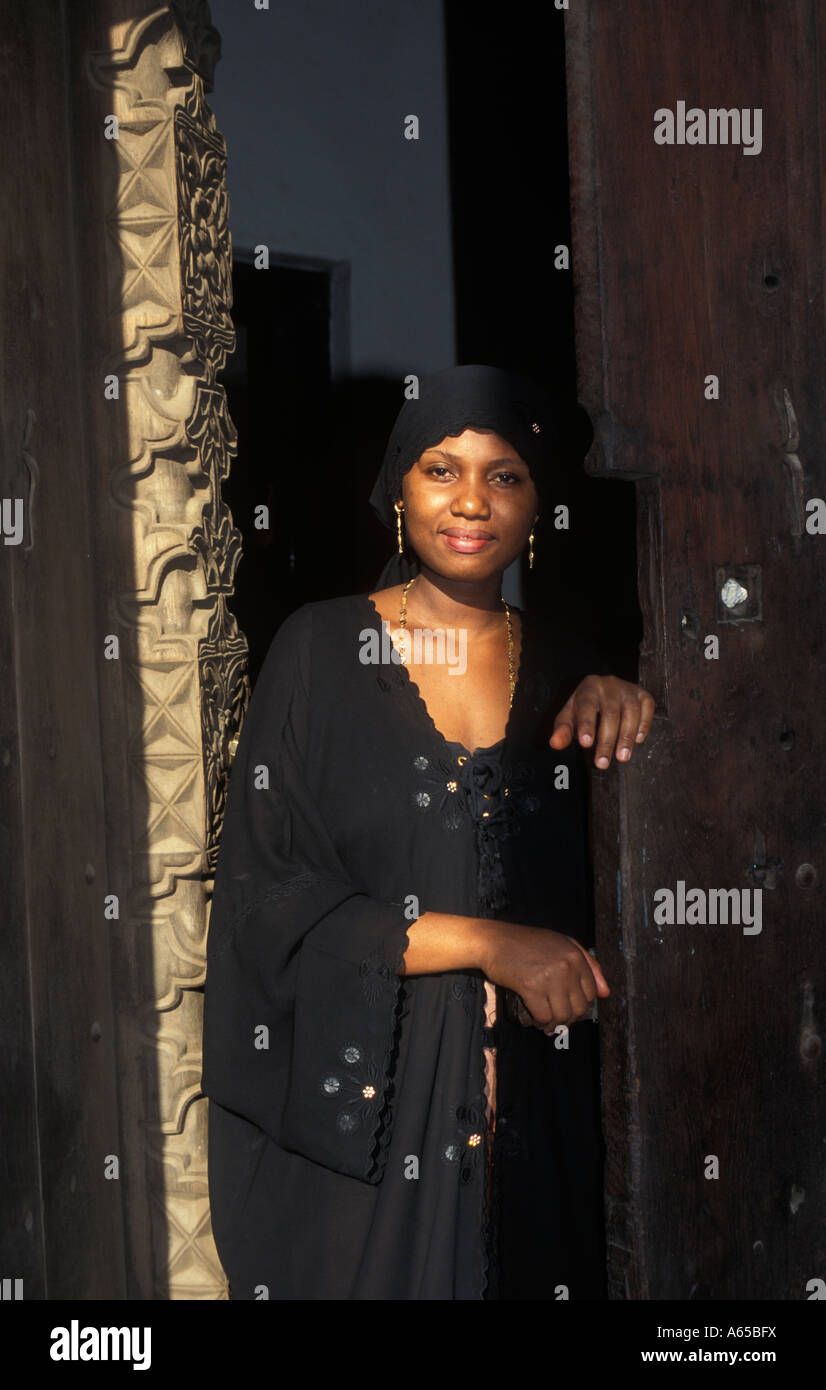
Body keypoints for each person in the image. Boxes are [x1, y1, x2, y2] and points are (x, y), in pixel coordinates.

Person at [201, 364, 655, 1300]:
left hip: (540, 1129)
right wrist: (493, 945)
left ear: (536, 507)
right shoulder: (322, 653)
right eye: (442, 470)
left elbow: (628, 873)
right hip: (372, 1138)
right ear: (397, 494)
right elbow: (269, 899)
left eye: (506, 476)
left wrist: (635, 704)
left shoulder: (571, 667)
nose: (473, 502)